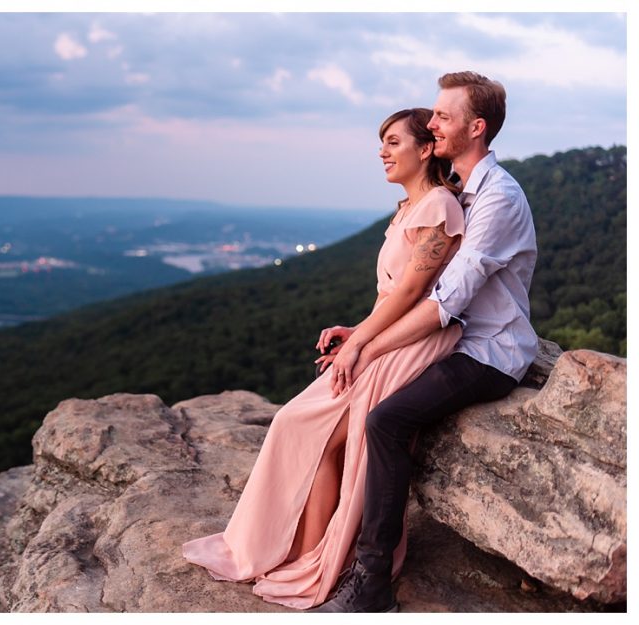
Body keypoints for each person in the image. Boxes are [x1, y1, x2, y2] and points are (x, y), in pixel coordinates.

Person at [181, 106, 466, 610]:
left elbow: (414, 294)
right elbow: (390, 296)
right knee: (297, 425)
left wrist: (360, 346)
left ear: (425, 150)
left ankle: (316, 560)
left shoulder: (439, 206)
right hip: (386, 334)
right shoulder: (409, 207)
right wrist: (354, 330)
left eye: (394, 142)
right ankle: (296, 549)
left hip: (412, 343)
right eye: (382, 142)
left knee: (322, 436)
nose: (382, 151)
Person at [312, 71, 538, 612]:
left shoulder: (499, 198)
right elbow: (415, 289)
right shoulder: (461, 189)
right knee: (342, 394)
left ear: (476, 127)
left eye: (442, 116)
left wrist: (365, 346)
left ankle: (372, 583)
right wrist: (360, 332)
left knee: (386, 420)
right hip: (451, 339)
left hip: (488, 351)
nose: (431, 122)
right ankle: (324, 546)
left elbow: (444, 303)